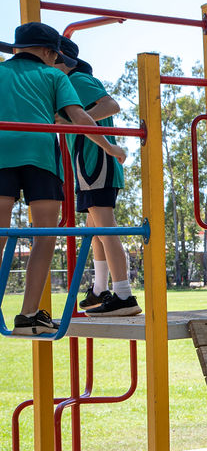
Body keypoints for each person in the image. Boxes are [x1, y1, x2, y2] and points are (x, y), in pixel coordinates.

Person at [0, 22, 126, 335]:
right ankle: (29, 315)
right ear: (48, 52)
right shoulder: (55, 75)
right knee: (44, 237)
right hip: (41, 158)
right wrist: (109, 145)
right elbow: (80, 118)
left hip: (2, 156)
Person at [55, 38, 140, 316]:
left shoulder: (78, 79)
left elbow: (111, 104)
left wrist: (78, 121)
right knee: (96, 233)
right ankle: (100, 290)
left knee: (105, 229)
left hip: (96, 165)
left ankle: (124, 295)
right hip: (89, 167)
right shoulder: (67, 84)